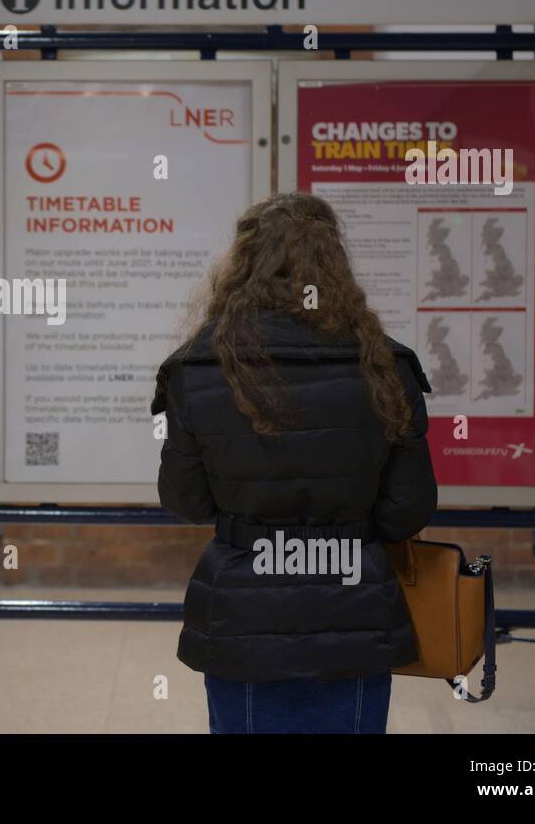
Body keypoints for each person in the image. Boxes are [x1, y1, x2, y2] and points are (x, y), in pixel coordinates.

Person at [151, 192, 437, 734]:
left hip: (243, 612)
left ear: (242, 264)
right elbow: (408, 510)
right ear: (335, 264)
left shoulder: (197, 369)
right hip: (352, 607)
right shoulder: (386, 366)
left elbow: (185, 501)